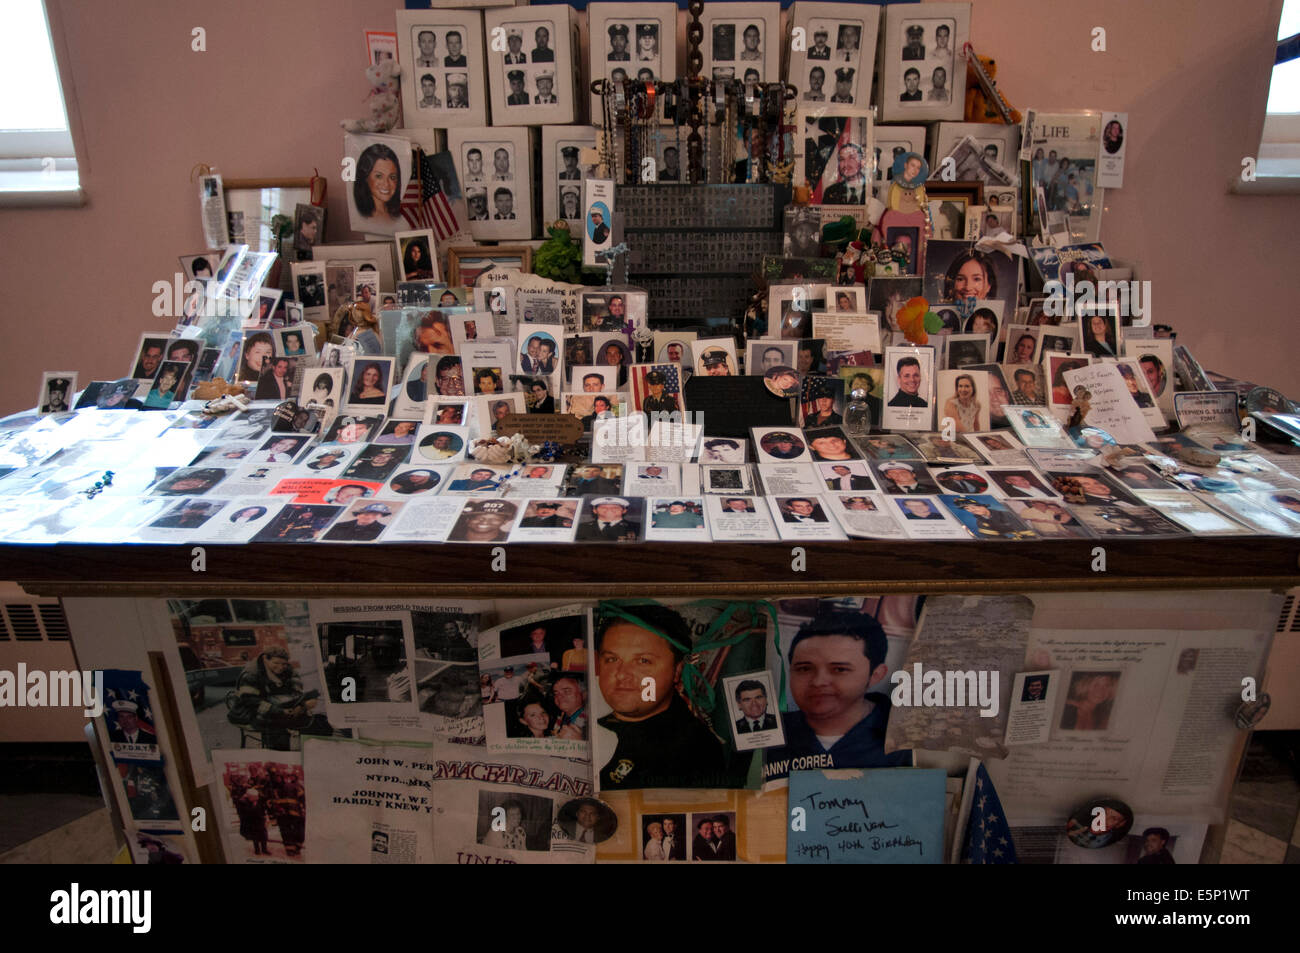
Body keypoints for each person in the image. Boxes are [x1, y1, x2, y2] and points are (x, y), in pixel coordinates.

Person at [764, 609, 911, 779]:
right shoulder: (766, 737)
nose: (818, 681)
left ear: (875, 675)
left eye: (839, 669)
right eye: (804, 668)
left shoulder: (907, 740)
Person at [595, 604, 730, 788]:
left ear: (677, 671)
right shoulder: (586, 716)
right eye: (612, 659)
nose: (622, 674)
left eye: (643, 661)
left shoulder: (694, 753)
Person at [353, 143, 401, 226]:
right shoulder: (362, 217)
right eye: (379, 176)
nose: (386, 184)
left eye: (392, 177)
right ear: (365, 177)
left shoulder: (401, 215)